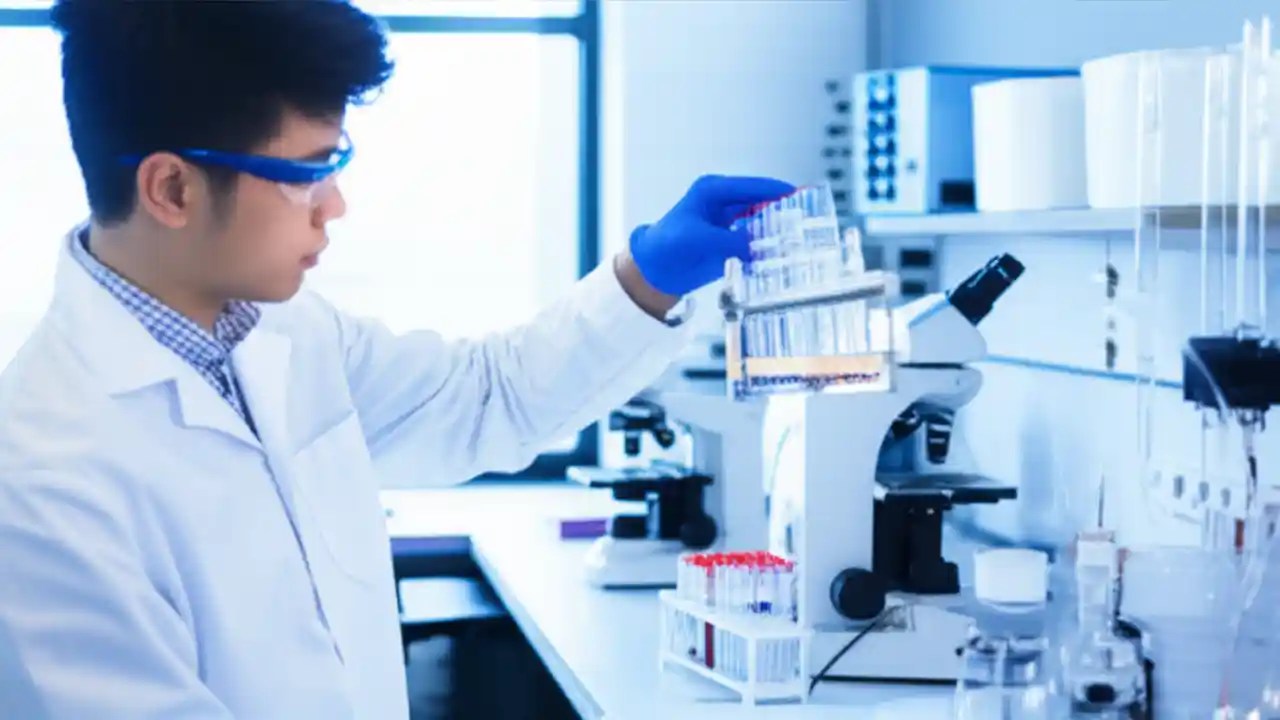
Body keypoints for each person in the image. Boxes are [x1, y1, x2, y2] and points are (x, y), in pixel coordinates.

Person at [0, 2, 792, 719]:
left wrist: (646, 279)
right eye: (308, 172)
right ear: (171, 189)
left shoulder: (288, 335)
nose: (334, 205)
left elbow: (492, 400)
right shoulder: (44, 479)